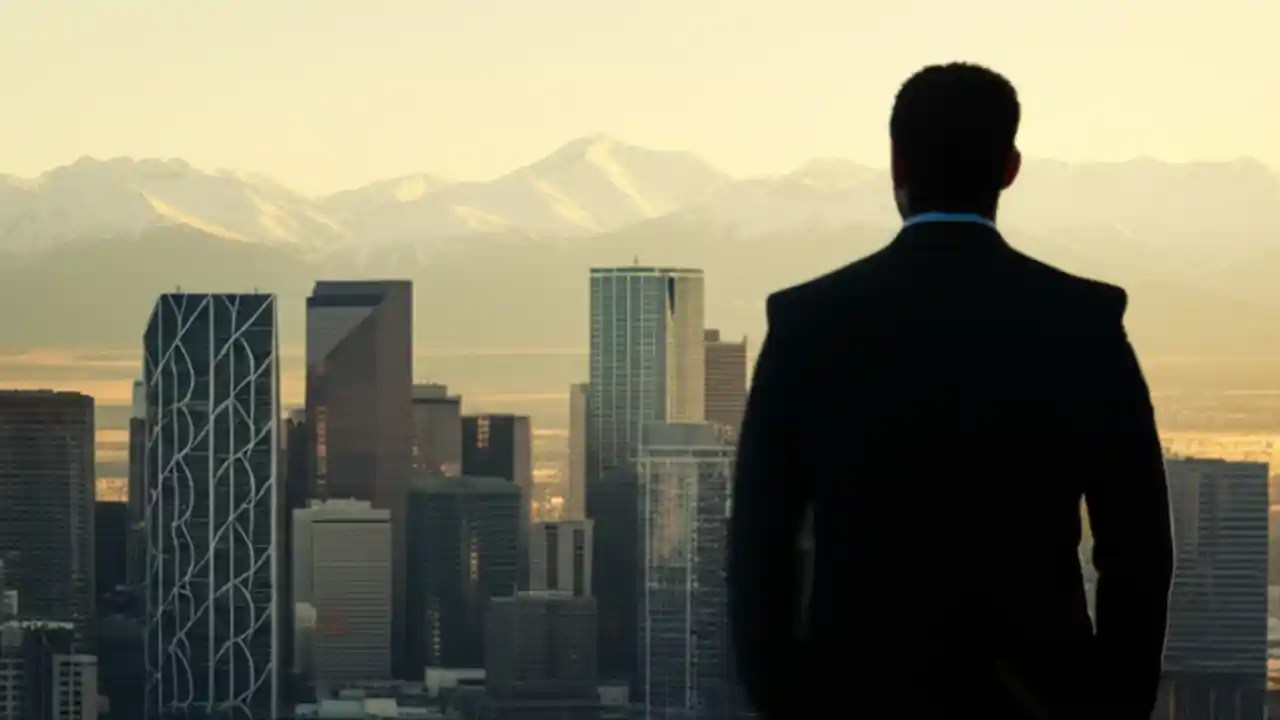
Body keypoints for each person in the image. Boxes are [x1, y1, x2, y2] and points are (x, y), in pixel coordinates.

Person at [728, 62, 1174, 719]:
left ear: (895, 163)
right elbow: (1137, 548)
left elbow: (762, 546)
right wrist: (1112, 707)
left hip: (855, 697)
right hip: (1040, 699)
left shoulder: (808, 324)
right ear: (1010, 167)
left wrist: (786, 701)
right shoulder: (1082, 323)